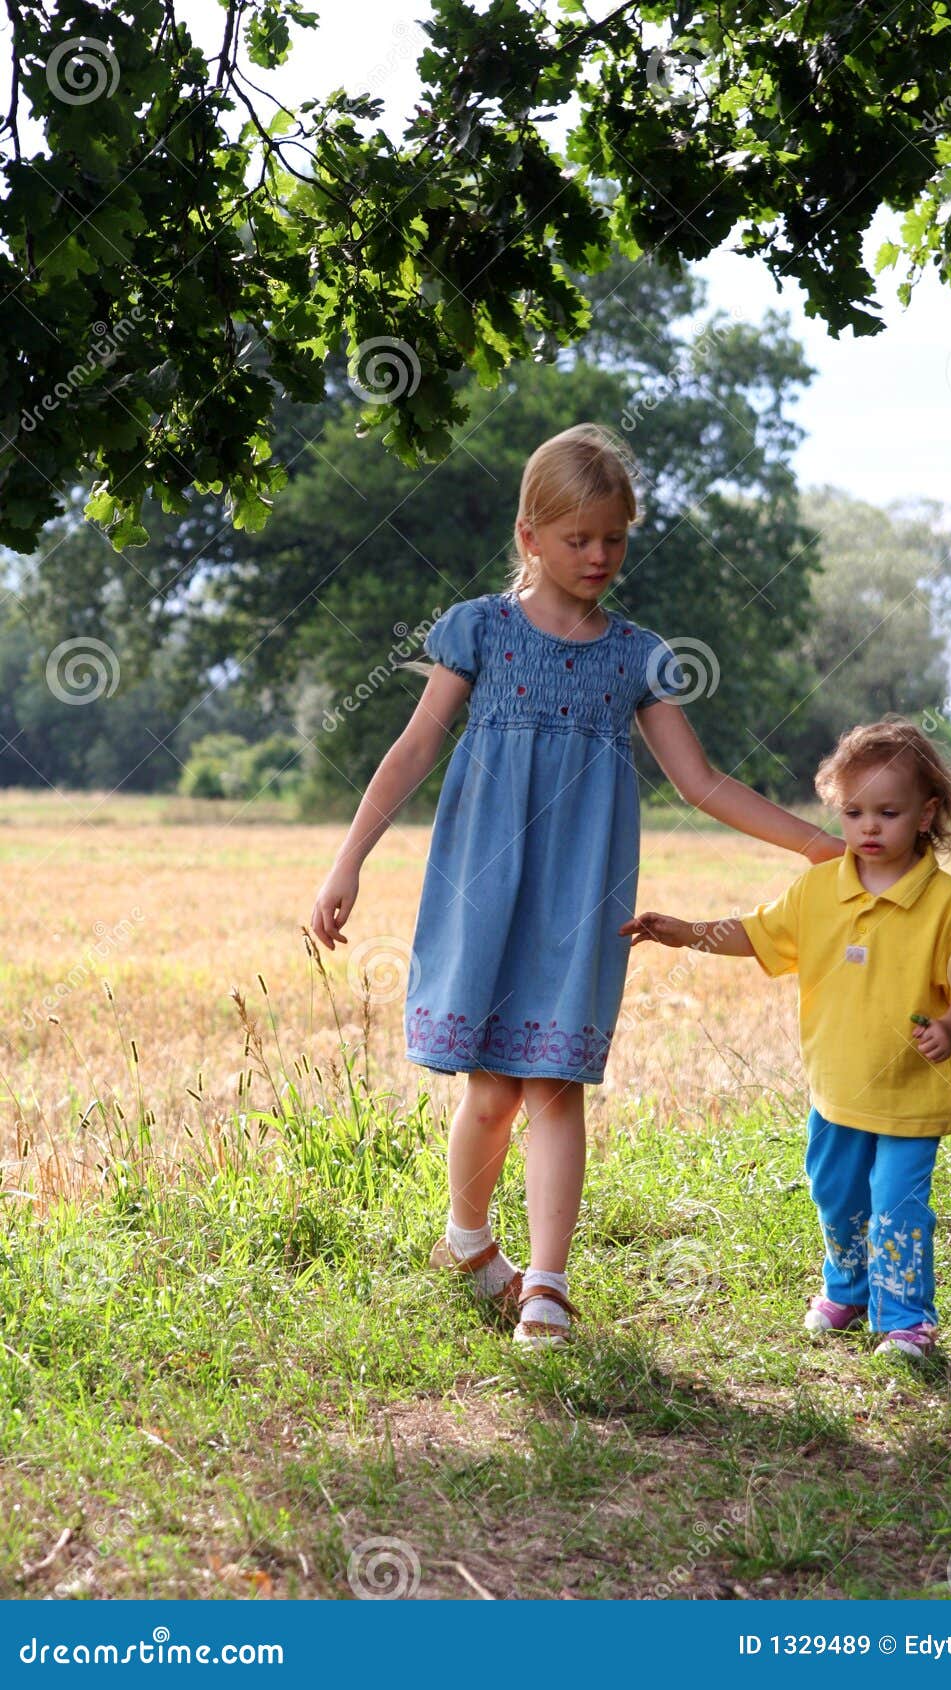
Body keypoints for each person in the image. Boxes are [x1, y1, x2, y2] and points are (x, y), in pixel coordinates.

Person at [311, 423, 842, 1349]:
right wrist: (348, 858)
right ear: (529, 535)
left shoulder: (636, 656)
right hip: (483, 887)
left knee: (556, 1085)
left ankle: (546, 1285)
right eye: (577, 539)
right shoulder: (478, 630)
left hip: (581, 898)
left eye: (614, 539)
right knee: (490, 1095)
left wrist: (817, 845)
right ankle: (467, 1242)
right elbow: (415, 746)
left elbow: (699, 782)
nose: (598, 557)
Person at [620, 719, 951, 1359]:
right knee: (836, 1194)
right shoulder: (820, 889)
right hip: (837, 1089)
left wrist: (950, 1026)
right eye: (853, 813)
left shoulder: (944, 901)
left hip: (912, 1096)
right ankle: (847, 1291)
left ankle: (906, 1318)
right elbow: (756, 934)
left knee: (897, 1206)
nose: (869, 827)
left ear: (926, 814)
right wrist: (687, 932)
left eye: (888, 813)